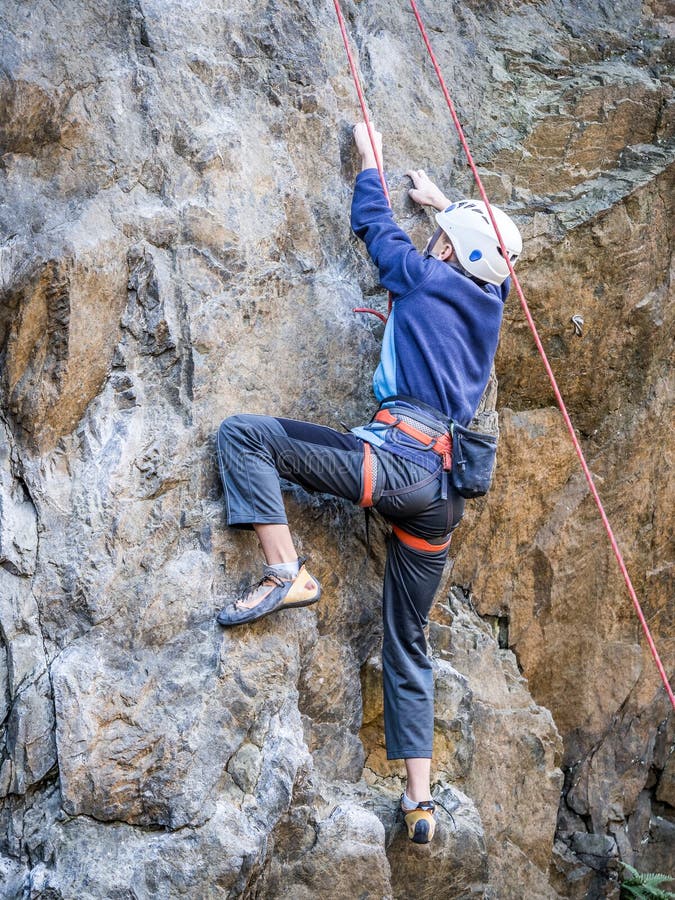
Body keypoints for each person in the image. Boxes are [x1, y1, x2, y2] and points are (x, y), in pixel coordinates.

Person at [215, 122, 522, 844]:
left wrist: (370, 161)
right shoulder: (490, 306)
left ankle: (284, 569)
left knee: (243, 436)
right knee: (408, 637)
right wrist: (446, 204)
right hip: (438, 501)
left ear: (445, 251)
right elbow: (497, 264)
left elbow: (374, 226)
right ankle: (419, 804)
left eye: (440, 236)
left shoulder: (421, 273)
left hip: (392, 460)